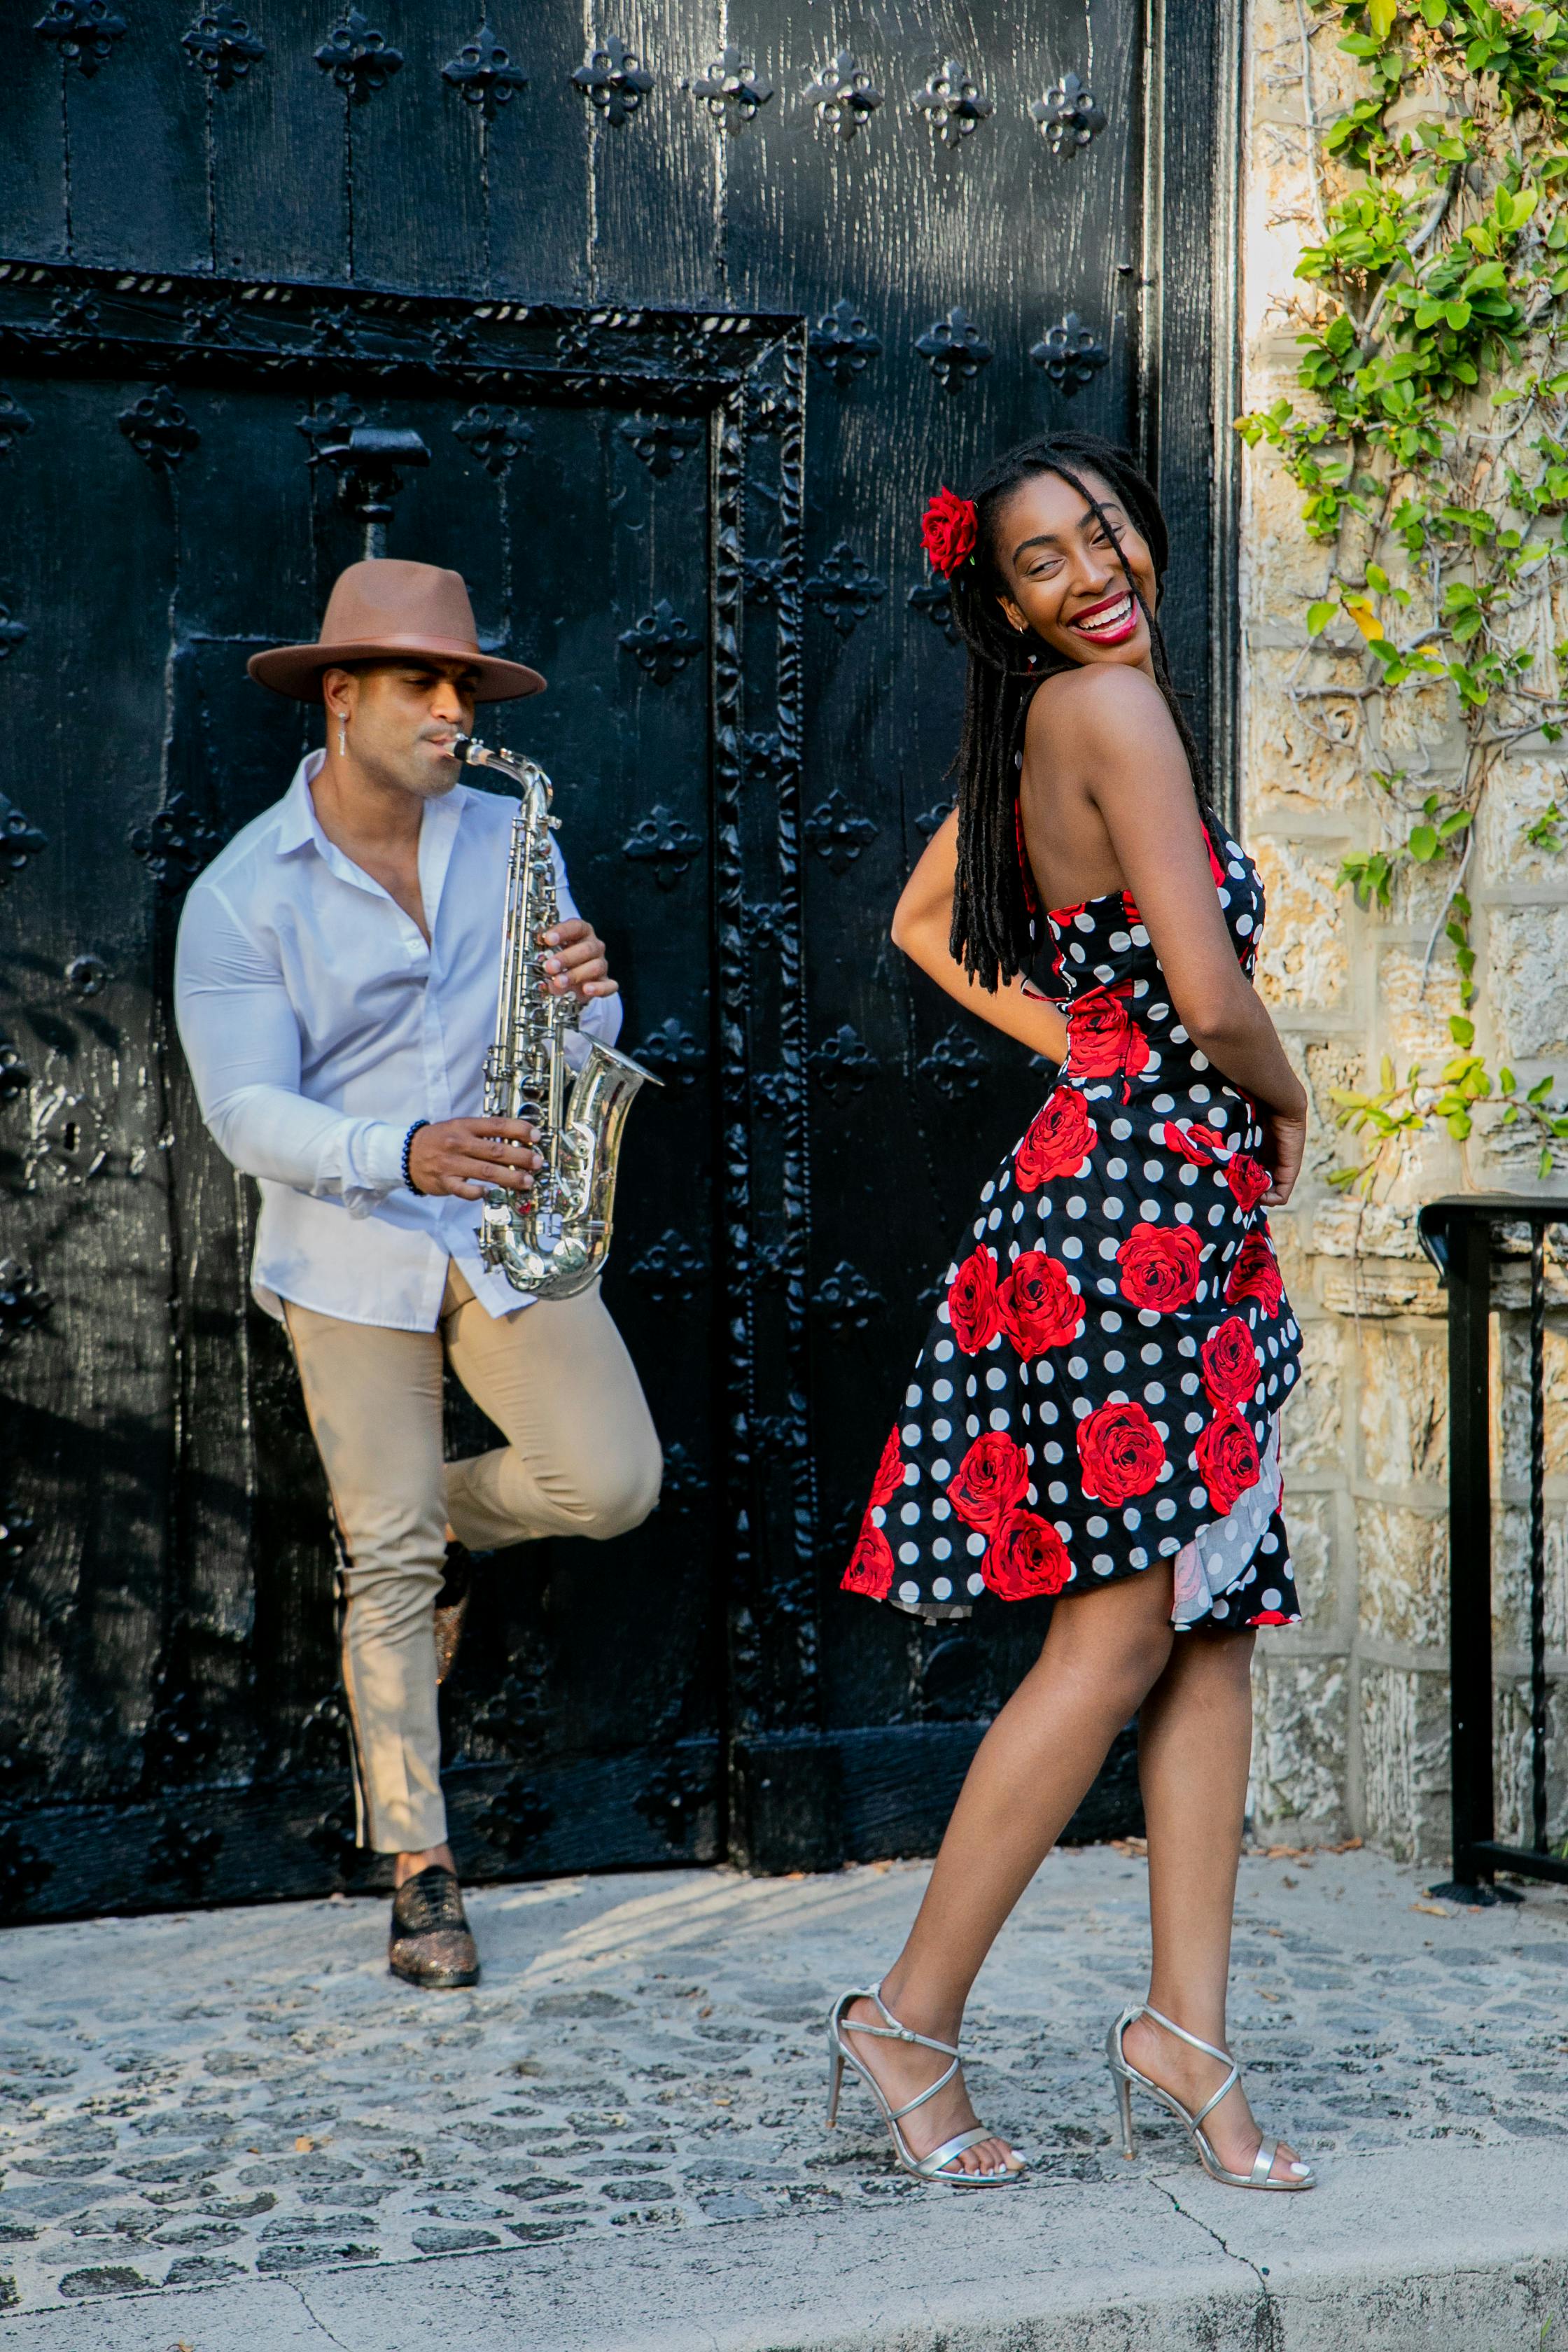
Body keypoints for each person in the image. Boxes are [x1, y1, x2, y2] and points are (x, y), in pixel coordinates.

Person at [827, 434, 1315, 2192]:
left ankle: (1186, 2033)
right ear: (1004, 604)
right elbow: (1210, 986)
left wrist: (1086, 1055)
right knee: (1114, 1640)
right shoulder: (1103, 711)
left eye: (1101, 526)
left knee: (1208, 1622)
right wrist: (1284, 1102)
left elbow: (919, 920)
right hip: (1139, 1220)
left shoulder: (1058, 722)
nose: (1092, 564)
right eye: (1043, 557)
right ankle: (905, 2018)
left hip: (1134, 1206)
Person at [175, 559, 662, 1991]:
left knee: (611, 1483)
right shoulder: (240, 895)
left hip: (510, 1222)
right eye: (421, 685)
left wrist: (595, 991)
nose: (453, 711)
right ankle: (420, 1867)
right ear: (341, 699)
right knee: (377, 1559)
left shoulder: (511, 832)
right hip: (350, 1244)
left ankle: (435, 1530)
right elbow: (244, 1114)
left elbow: (576, 1029)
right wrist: (403, 1150)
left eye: (462, 686)